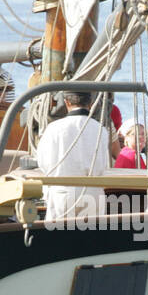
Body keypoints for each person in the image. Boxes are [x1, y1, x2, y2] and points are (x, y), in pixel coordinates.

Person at [36, 90, 110, 221]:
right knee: (93, 239)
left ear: (67, 102)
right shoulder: (101, 130)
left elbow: (43, 162)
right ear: (90, 104)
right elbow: (104, 163)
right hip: (93, 194)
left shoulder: (54, 128)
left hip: (63, 194)